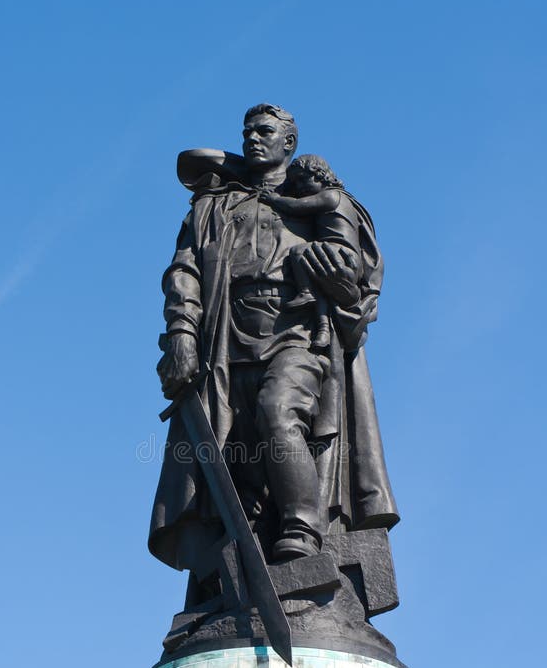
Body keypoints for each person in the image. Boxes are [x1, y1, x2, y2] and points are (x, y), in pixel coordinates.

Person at [150, 103, 398, 589]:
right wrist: (181, 333)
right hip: (225, 336)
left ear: (290, 142)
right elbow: (185, 272)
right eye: (247, 131)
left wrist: (341, 283)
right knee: (235, 448)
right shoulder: (212, 206)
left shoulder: (317, 198)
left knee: (278, 411)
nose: (253, 138)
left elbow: (357, 279)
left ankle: (302, 529)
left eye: (265, 131)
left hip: (298, 331)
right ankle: (245, 560)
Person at [259, 154, 357, 351]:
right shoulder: (338, 197)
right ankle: (323, 330)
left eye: (304, 179)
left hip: (340, 252)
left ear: (320, 175)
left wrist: (275, 199)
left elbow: (297, 206)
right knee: (320, 286)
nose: (300, 186)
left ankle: (305, 292)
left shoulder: (332, 196)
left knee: (298, 252)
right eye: (296, 182)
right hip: (332, 252)